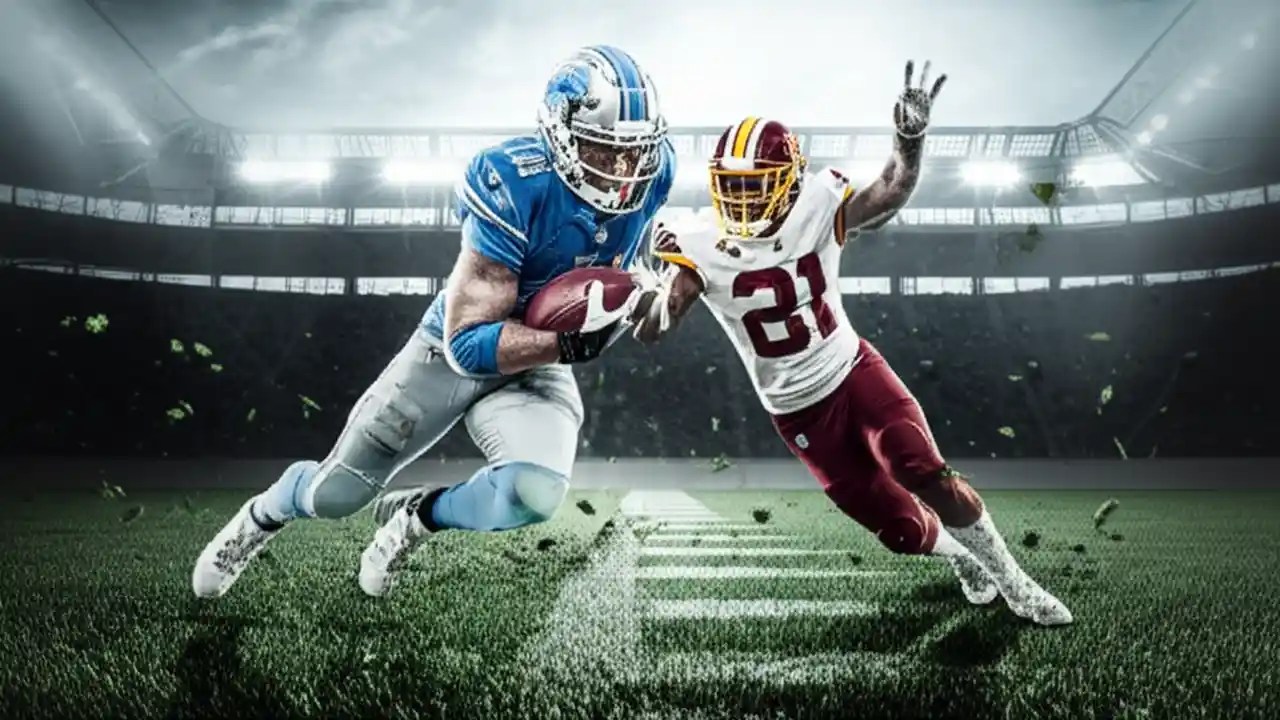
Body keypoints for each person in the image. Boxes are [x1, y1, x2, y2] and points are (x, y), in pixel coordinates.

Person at [192, 45, 675, 599]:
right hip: (450, 351)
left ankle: (416, 518)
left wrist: (656, 290)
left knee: (533, 495)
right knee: (337, 496)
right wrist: (567, 342)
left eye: (633, 153)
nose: (622, 171)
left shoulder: (653, 177)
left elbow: (635, 286)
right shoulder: (512, 182)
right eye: (603, 149)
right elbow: (467, 345)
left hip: (539, 361)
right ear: (561, 136)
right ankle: (262, 515)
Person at [632, 61, 1071, 625]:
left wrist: (908, 142)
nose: (740, 202)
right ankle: (962, 557)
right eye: (731, 188)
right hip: (795, 412)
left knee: (919, 468)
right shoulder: (697, 242)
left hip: (853, 372)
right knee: (902, 530)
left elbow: (890, 189)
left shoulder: (819, 205)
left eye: (755, 186)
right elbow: (659, 321)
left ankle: (1017, 585)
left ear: (789, 181)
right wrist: (641, 304)